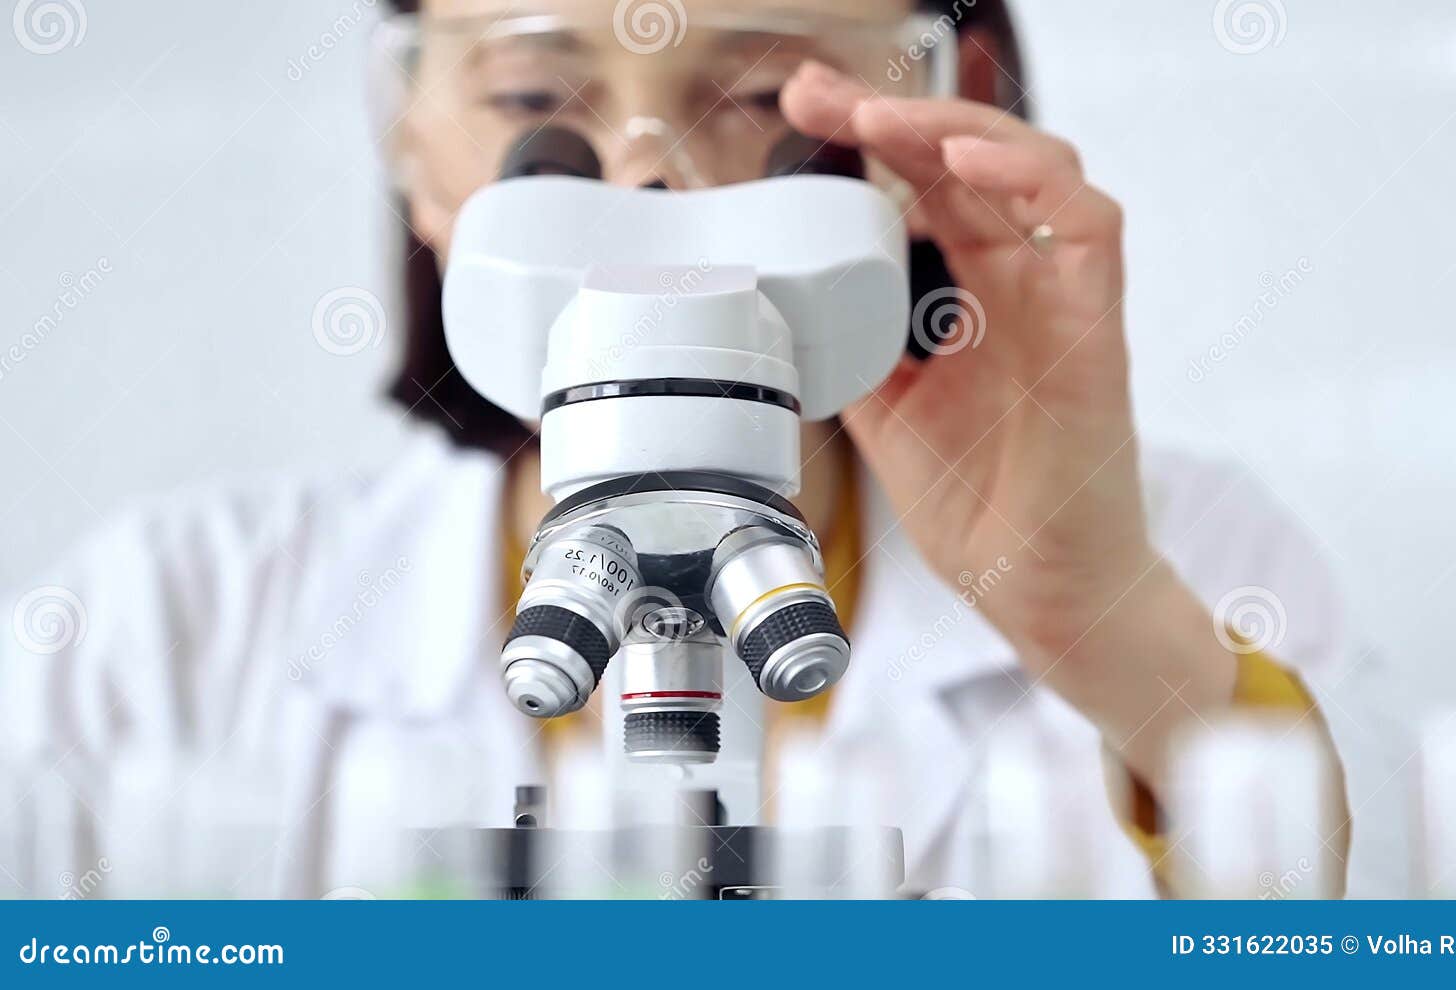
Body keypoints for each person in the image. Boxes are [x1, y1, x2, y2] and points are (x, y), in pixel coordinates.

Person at [1, 0, 1377, 898]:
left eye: (772, 102)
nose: (649, 177)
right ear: (414, 151)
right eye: (541, 99)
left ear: (924, 133)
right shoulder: (159, 620)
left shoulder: (1196, 562)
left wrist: (1099, 615)